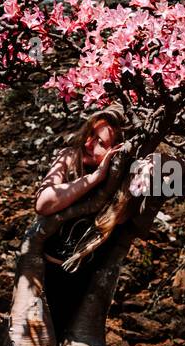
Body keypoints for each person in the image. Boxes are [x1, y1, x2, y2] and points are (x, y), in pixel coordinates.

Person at [34, 107, 129, 334]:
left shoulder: (122, 182)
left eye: (99, 143)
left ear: (115, 152)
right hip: (47, 273)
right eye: (90, 134)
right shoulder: (70, 156)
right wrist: (95, 178)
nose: (87, 143)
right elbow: (44, 203)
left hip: (86, 281)